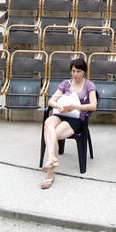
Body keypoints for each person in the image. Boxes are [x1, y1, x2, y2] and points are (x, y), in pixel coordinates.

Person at [40, 55, 97, 189]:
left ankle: (50, 172)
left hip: (76, 118)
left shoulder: (89, 85)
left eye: (78, 71)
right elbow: (51, 101)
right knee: (48, 123)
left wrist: (75, 107)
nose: (75, 74)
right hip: (61, 113)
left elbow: (93, 106)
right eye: (73, 71)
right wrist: (58, 106)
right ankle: (52, 159)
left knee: (53, 133)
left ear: (84, 72)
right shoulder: (66, 84)